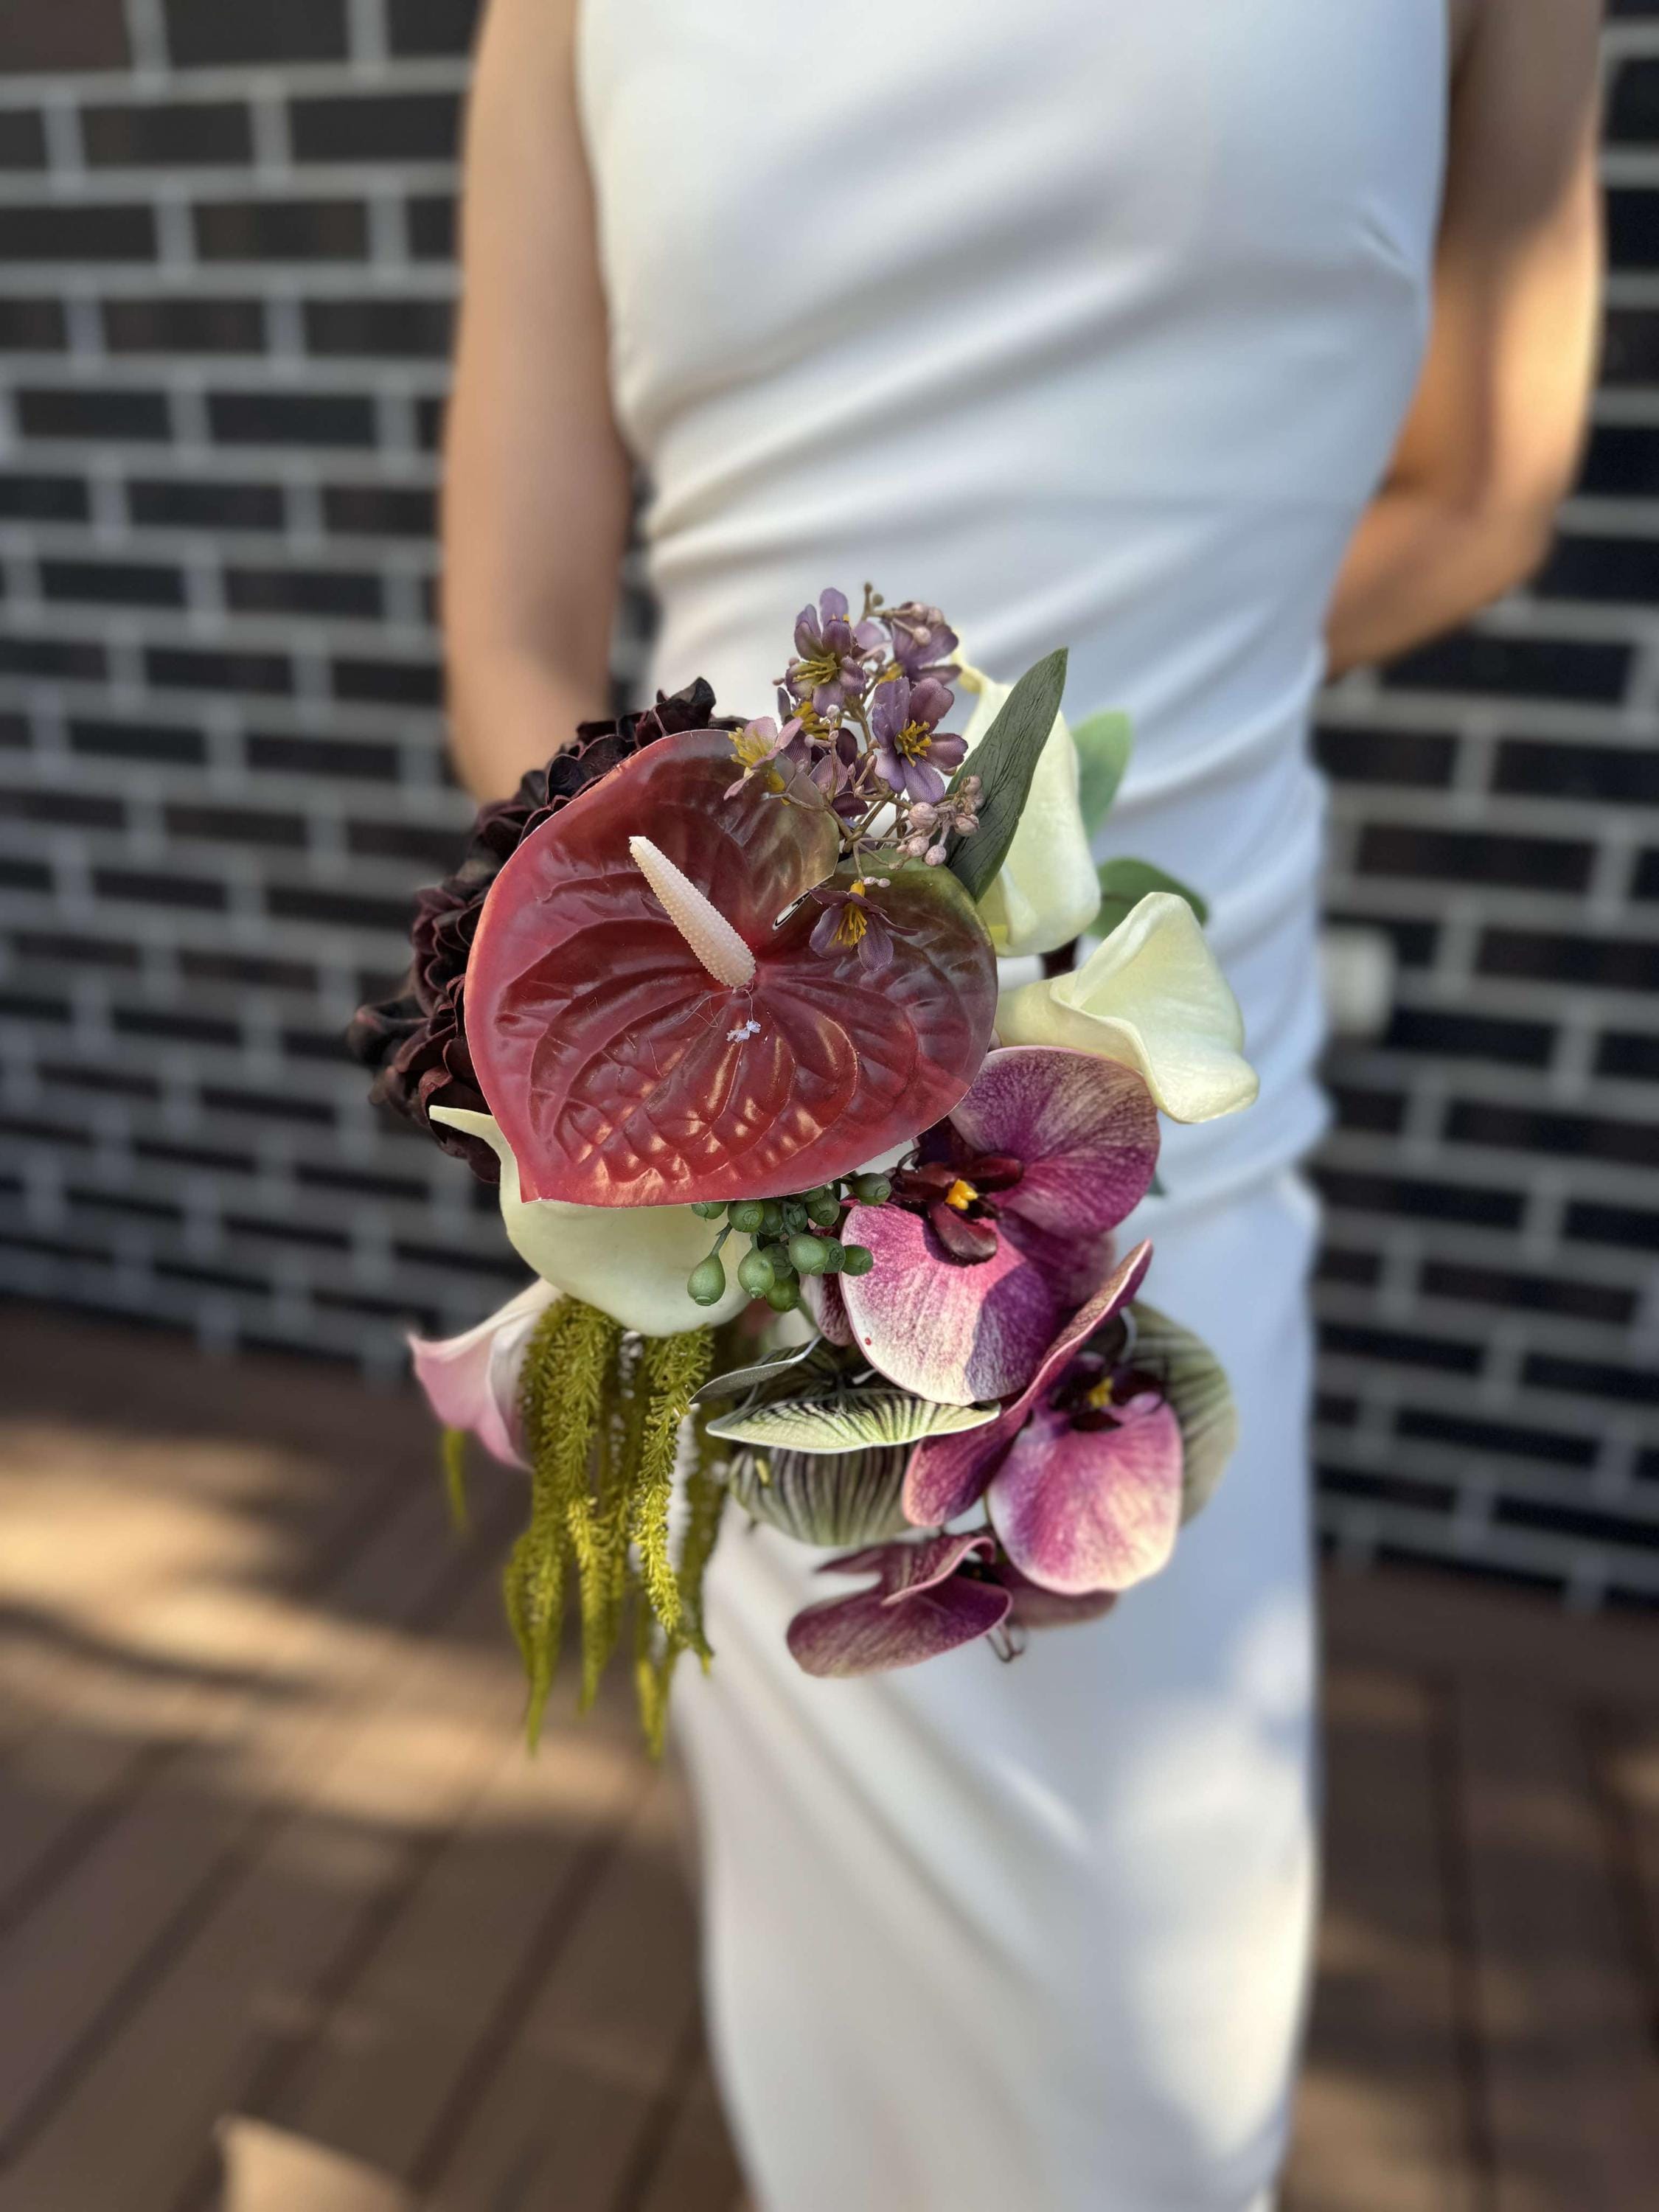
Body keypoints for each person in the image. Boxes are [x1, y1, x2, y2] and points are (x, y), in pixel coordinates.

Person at [439, 4, 1603, 2206]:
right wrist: (757, 1027)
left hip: (1155, 1150)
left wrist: (1068, 809)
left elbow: (1472, 495)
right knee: (838, 2002)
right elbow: (509, 628)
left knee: (1140, 2040)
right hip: (752, 1182)